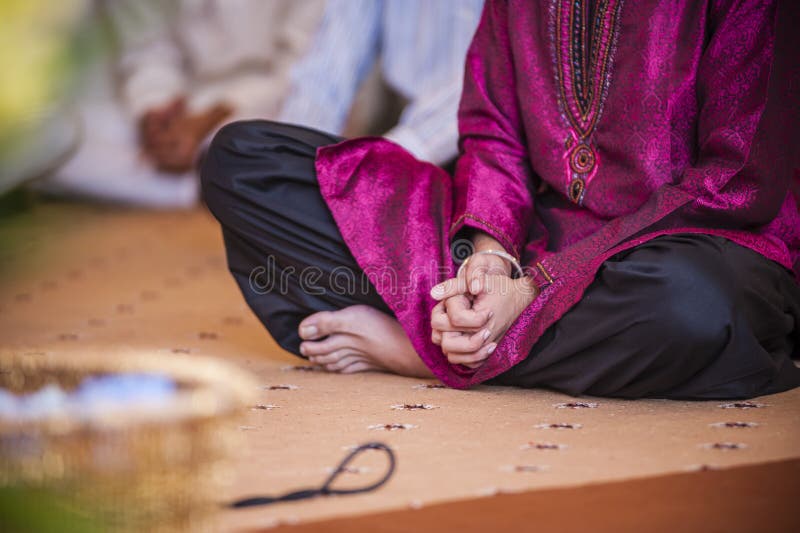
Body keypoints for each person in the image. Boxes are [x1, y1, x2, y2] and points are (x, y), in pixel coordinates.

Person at [202, 0, 800, 400]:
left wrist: (533, 288)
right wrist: (490, 259)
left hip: (686, 248)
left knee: (692, 305)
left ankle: (421, 351)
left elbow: (735, 180)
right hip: (532, 235)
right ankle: (476, 332)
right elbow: (493, 134)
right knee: (248, 163)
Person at [33, 0, 323, 207]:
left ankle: (217, 177)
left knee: (305, 128)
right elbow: (146, 55)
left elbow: (306, 69)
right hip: (185, 104)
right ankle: (223, 183)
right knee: (52, 138)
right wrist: (155, 113)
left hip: (268, 104)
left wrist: (210, 119)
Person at [279, 0, 484, 166]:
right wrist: (298, 153)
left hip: (491, 149)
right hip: (402, 123)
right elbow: (332, 60)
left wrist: (377, 163)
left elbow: (488, 83)